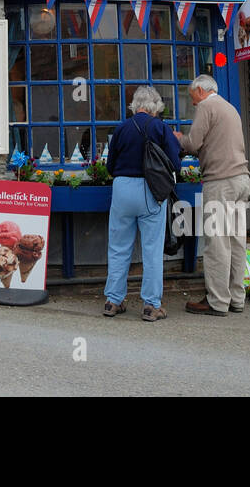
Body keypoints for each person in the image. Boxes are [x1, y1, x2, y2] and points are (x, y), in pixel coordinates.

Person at [173, 74, 250, 316]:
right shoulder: (231, 108)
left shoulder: (207, 106)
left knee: (216, 243)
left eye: (192, 96)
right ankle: (237, 298)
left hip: (220, 182)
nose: (193, 102)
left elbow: (193, 143)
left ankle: (217, 301)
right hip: (242, 180)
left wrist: (179, 139)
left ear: (200, 90)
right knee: (237, 241)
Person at [103, 85, 181, 322]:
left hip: (122, 189)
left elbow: (109, 166)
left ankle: (113, 301)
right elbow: (175, 163)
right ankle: (150, 305)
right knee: (152, 250)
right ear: (155, 106)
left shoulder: (121, 128)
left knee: (118, 248)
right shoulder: (159, 127)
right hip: (149, 190)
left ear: (135, 106)